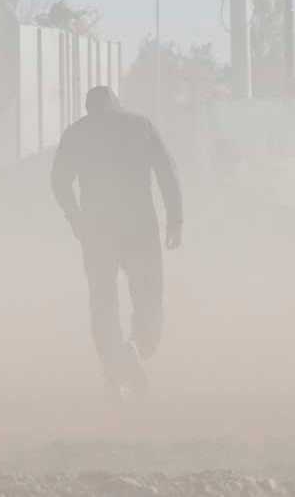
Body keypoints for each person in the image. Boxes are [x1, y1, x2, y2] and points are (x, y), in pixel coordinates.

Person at [50, 86, 183, 401]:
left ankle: (114, 368)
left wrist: (75, 218)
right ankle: (135, 348)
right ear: (116, 104)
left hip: (97, 231)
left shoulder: (77, 133)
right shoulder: (140, 126)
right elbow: (167, 171)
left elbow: (58, 180)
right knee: (148, 298)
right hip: (140, 228)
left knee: (103, 302)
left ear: (89, 109)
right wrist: (175, 218)